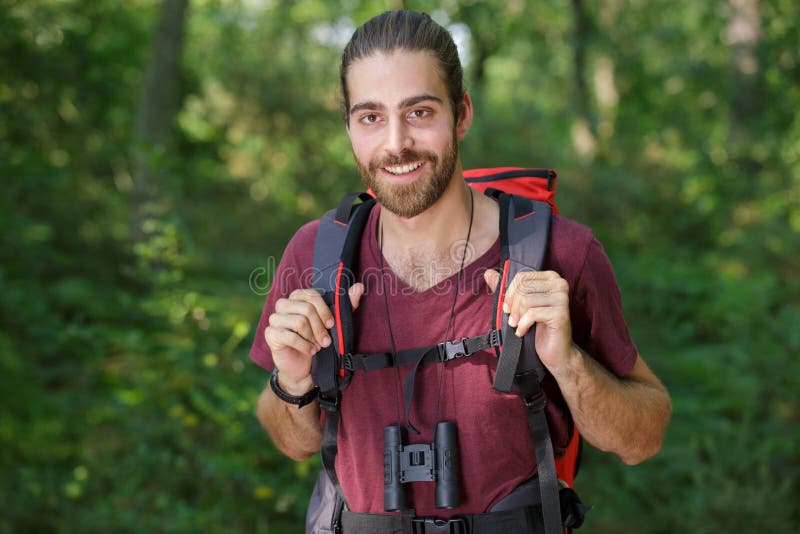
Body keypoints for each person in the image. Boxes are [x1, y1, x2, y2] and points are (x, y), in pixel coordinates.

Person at [249, 9, 671, 533]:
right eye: (371, 117)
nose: (396, 143)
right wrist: (292, 380)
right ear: (349, 126)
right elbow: (293, 442)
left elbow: (643, 438)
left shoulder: (561, 252)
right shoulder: (316, 254)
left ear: (462, 113)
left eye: (419, 112)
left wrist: (567, 363)